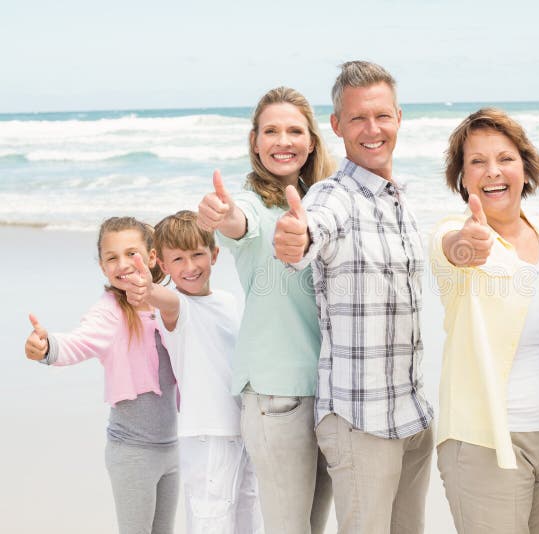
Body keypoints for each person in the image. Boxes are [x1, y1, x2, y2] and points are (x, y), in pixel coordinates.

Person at [273, 60, 435, 534]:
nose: (372, 129)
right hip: (361, 421)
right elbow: (311, 230)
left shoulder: (398, 197)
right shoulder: (333, 195)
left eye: (382, 116)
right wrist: (296, 238)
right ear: (337, 126)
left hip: (413, 414)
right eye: (358, 118)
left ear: (399, 118)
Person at [430, 108, 539, 534]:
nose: (492, 171)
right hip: (486, 444)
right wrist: (466, 245)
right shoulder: (452, 231)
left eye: (505, 158)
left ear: (525, 167)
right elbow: (452, 250)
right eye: (477, 162)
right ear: (462, 178)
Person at [196, 86, 334, 534]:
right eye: (271, 131)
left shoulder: (329, 202)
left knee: (313, 524)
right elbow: (239, 223)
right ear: (254, 141)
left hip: (333, 391)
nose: (283, 141)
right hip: (277, 394)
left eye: (294, 130)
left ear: (312, 140)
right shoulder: (253, 204)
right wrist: (223, 214)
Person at [23, 216, 179, 534]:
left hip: (172, 447)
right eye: (112, 257)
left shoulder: (166, 305)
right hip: (133, 451)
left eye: (131, 253)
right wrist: (47, 346)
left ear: (151, 257)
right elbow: (78, 342)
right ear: (102, 266)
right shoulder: (108, 313)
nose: (122, 264)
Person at [122, 210, 263, 534]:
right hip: (206, 431)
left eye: (197, 254)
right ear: (163, 264)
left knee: (248, 514)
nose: (190, 267)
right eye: (178, 259)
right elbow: (162, 298)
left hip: (242, 429)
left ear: (214, 254)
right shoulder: (177, 307)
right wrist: (144, 286)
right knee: (210, 519)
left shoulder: (227, 300)